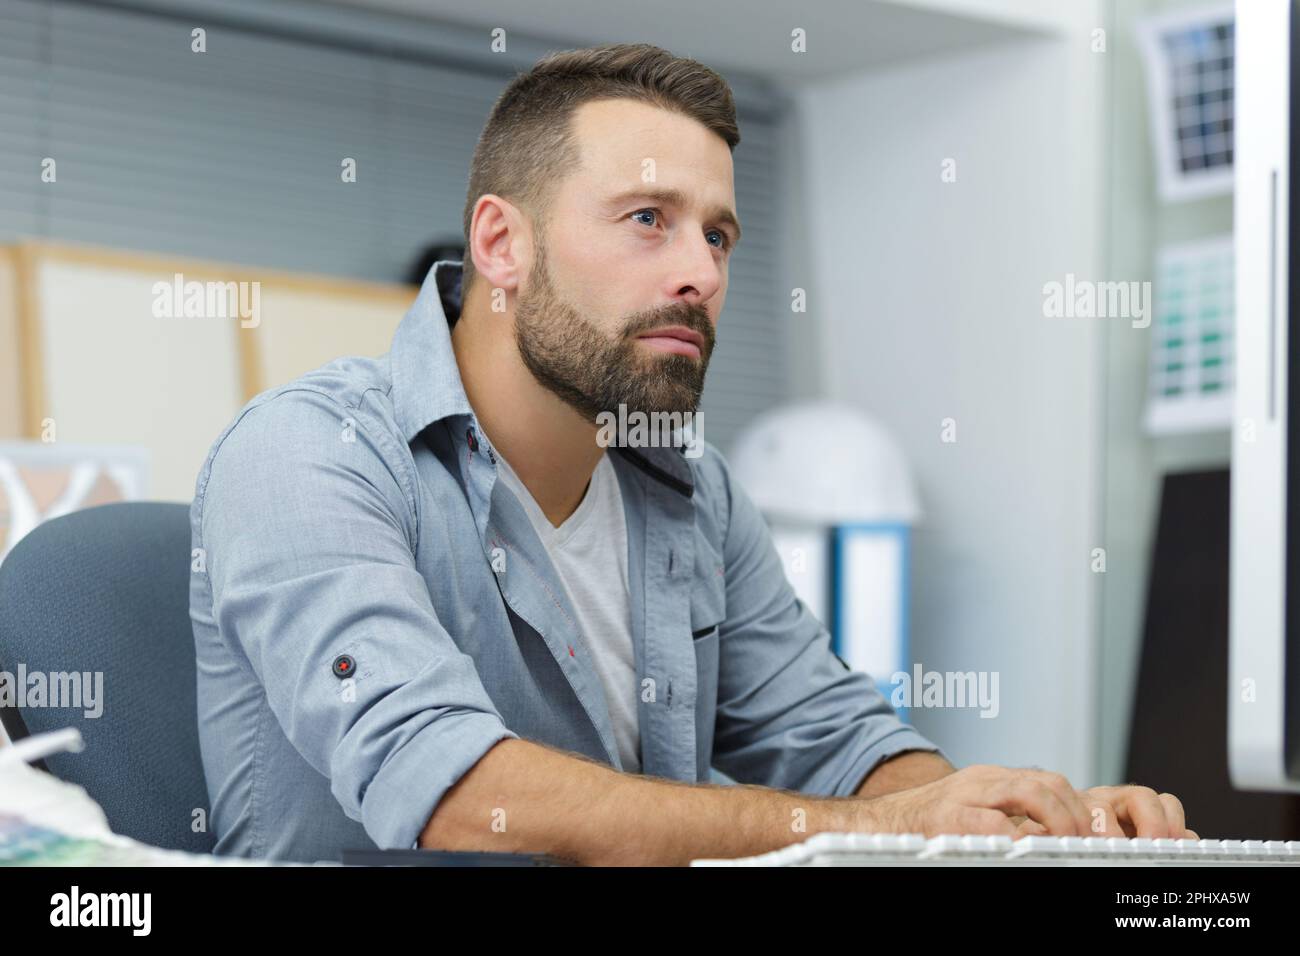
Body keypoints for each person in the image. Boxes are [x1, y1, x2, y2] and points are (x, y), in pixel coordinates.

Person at [190, 42, 1195, 866]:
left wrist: (1034, 827)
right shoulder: (306, 454)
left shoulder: (691, 491)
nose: (699, 272)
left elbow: (833, 739)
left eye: (718, 235)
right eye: (647, 220)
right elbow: (447, 780)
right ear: (501, 244)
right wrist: (867, 829)